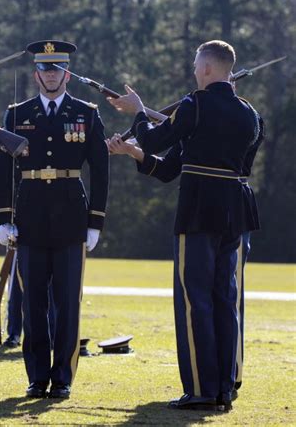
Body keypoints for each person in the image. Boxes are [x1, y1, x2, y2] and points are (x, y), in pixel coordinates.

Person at [108, 40, 262, 411]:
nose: (194, 71)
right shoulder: (250, 114)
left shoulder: (196, 105)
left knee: (195, 301)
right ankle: (225, 385)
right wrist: (132, 152)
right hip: (234, 212)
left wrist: (138, 111)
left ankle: (200, 387)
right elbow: (170, 166)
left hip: (198, 211)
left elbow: (155, 137)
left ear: (208, 69)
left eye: (197, 65)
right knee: (226, 299)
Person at [0, 40, 109, 399]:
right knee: (33, 304)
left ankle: (62, 378)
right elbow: (3, 170)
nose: (51, 75)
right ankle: (37, 376)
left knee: (67, 302)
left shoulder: (87, 113)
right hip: (29, 215)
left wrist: (95, 222)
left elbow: (101, 171)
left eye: (56, 68)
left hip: (71, 215)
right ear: (36, 74)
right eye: (45, 69)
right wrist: (3, 218)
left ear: (67, 73)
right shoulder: (17, 113)